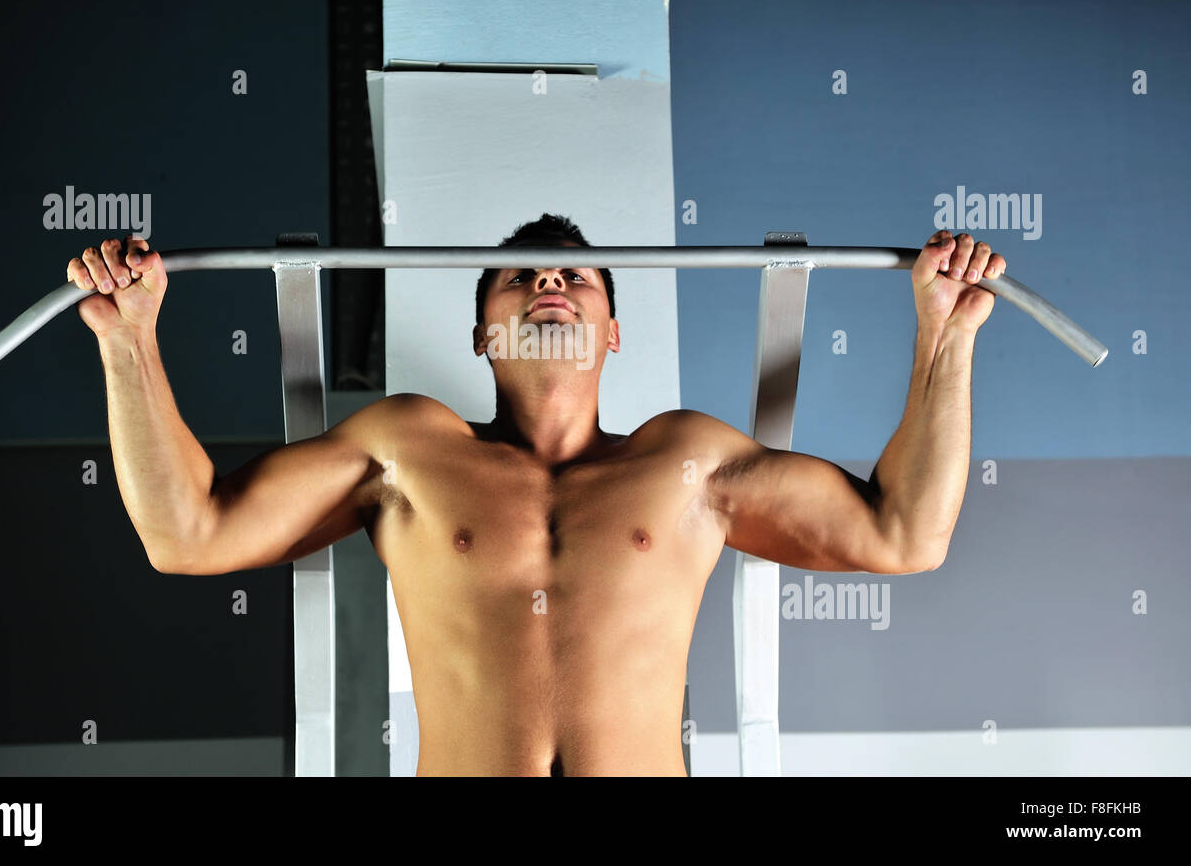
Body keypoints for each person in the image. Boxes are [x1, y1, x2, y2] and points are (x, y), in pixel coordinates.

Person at [68, 213, 1006, 776]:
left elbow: (905, 534)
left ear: (612, 334)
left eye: (577, 278)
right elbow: (187, 534)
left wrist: (945, 334)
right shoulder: (406, 450)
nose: (550, 282)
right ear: (484, 337)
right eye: (520, 279)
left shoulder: (690, 463)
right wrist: (130, 342)